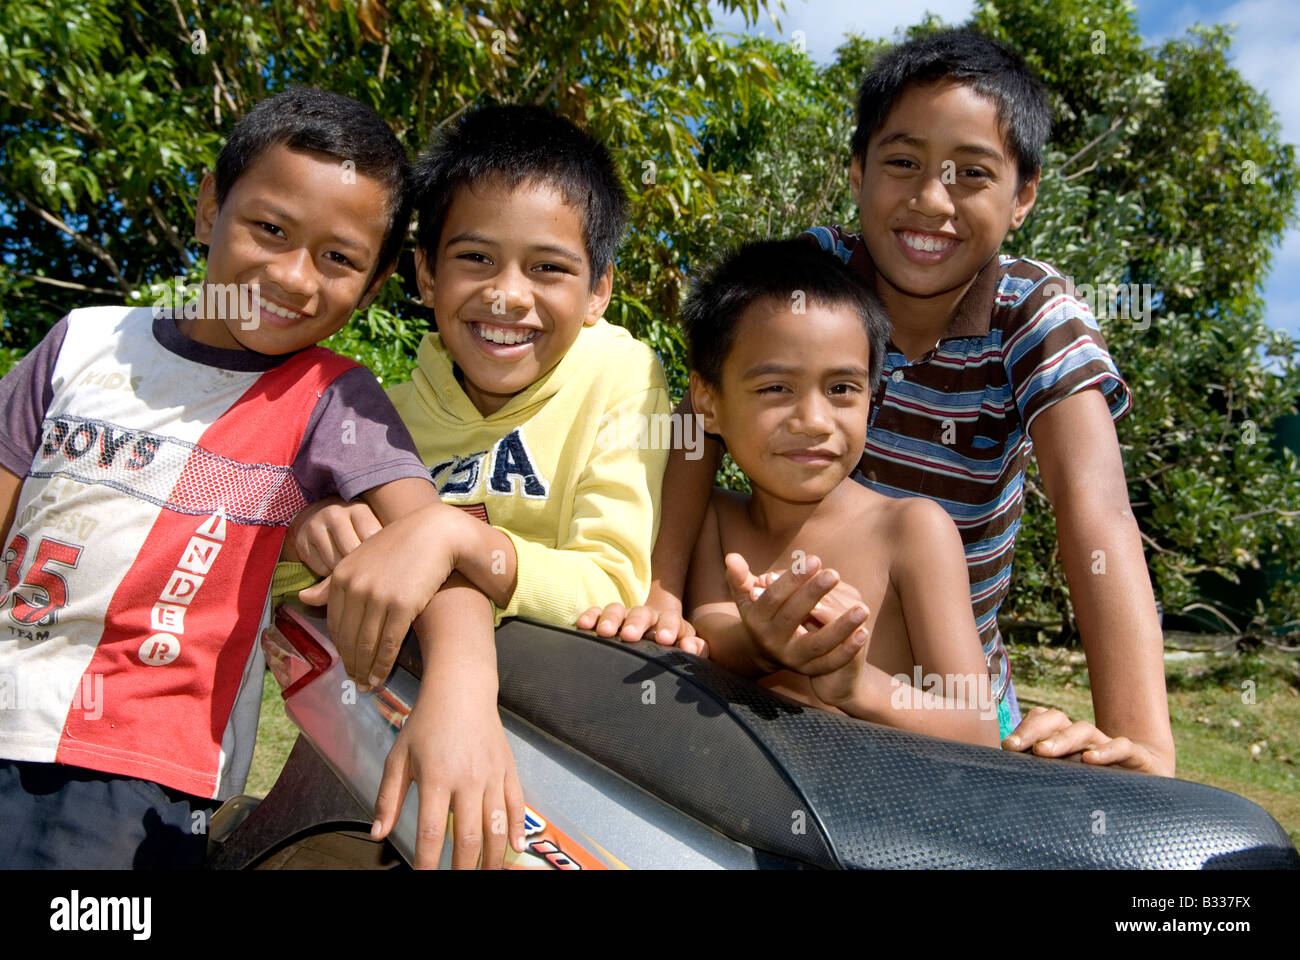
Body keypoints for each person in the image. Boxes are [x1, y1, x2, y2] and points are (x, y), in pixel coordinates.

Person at [582, 29, 1175, 772]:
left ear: (1023, 195)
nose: (931, 200)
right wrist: (663, 594)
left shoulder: (1034, 314)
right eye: (903, 163)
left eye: (971, 173)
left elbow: (1098, 512)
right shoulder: (813, 273)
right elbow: (697, 423)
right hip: (785, 686)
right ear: (858, 171)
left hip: (941, 699)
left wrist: (1143, 740)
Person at [0, 88, 522, 869]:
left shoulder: (333, 400)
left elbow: (436, 547)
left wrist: (461, 697)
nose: (292, 275)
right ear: (212, 208)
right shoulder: (79, 342)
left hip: (136, 776)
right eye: (269, 229)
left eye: (338, 258)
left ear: (374, 285)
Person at [284, 102, 672, 820]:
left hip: (556, 733)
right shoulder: (376, 410)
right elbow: (267, 566)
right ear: (425, 276)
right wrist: (311, 526)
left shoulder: (622, 373)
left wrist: (450, 534)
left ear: (599, 293)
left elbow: (612, 581)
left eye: (549, 268)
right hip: (371, 724)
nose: (506, 294)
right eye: (475, 258)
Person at [677, 240, 999, 745]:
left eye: (842, 389)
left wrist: (858, 686)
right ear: (708, 402)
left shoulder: (911, 530)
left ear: (872, 398)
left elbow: (977, 727)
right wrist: (763, 641)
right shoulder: (714, 517)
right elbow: (709, 626)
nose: (814, 422)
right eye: (775, 388)